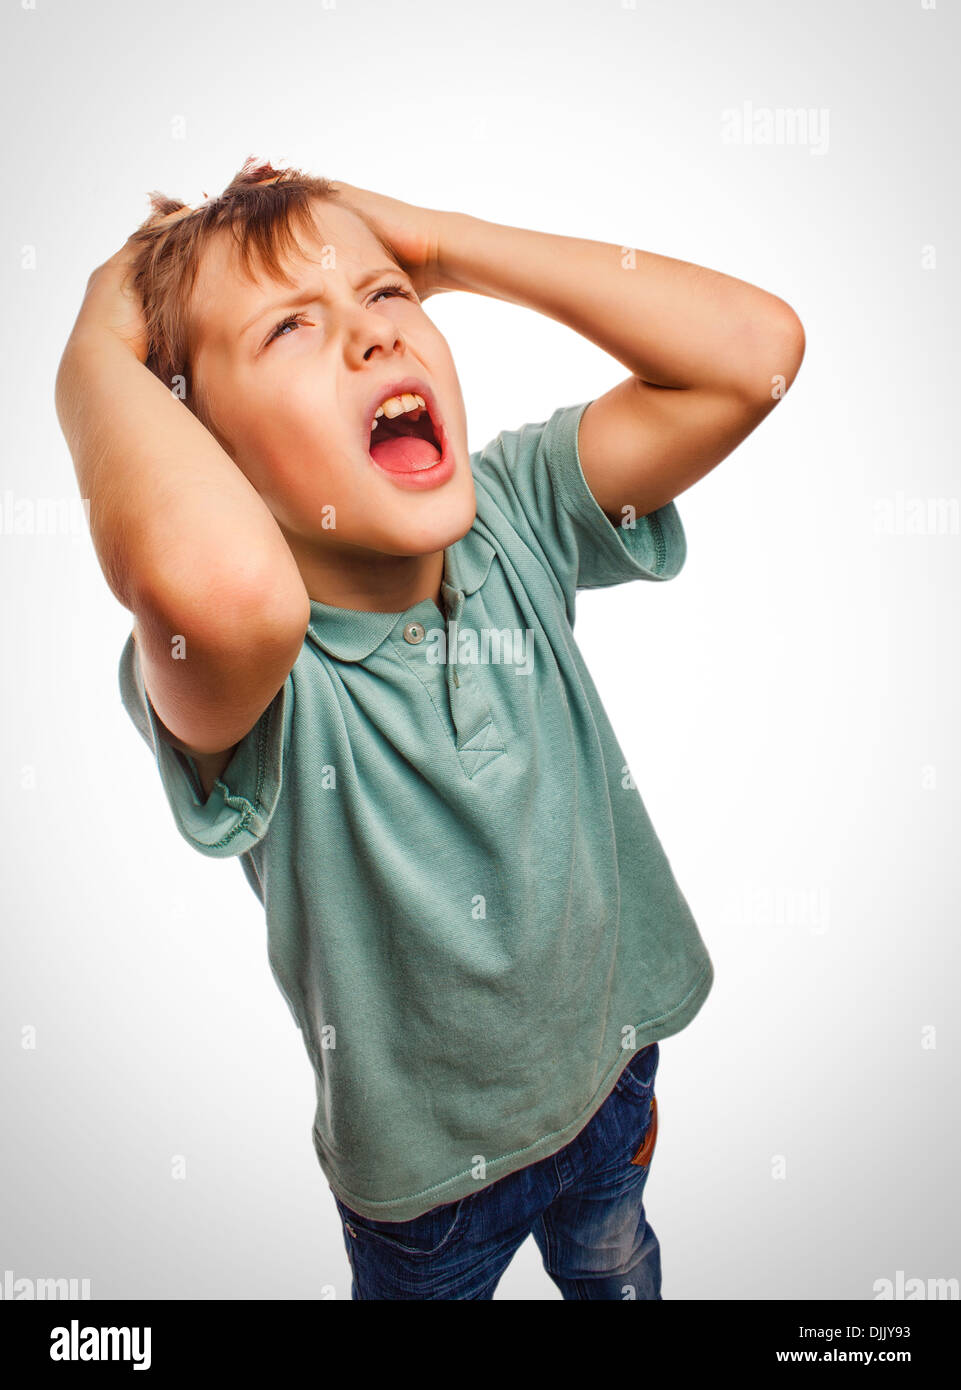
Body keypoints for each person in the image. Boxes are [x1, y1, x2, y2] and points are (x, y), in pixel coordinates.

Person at [54, 156, 805, 1300]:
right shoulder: (257, 669)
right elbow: (225, 586)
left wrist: (439, 243)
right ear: (196, 448)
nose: (373, 337)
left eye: (385, 293)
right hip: (425, 1198)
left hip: (613, 1082)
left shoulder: (518, 515)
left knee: (618, 1265)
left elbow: (753, 357)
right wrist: (94, 361)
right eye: (289, 329)